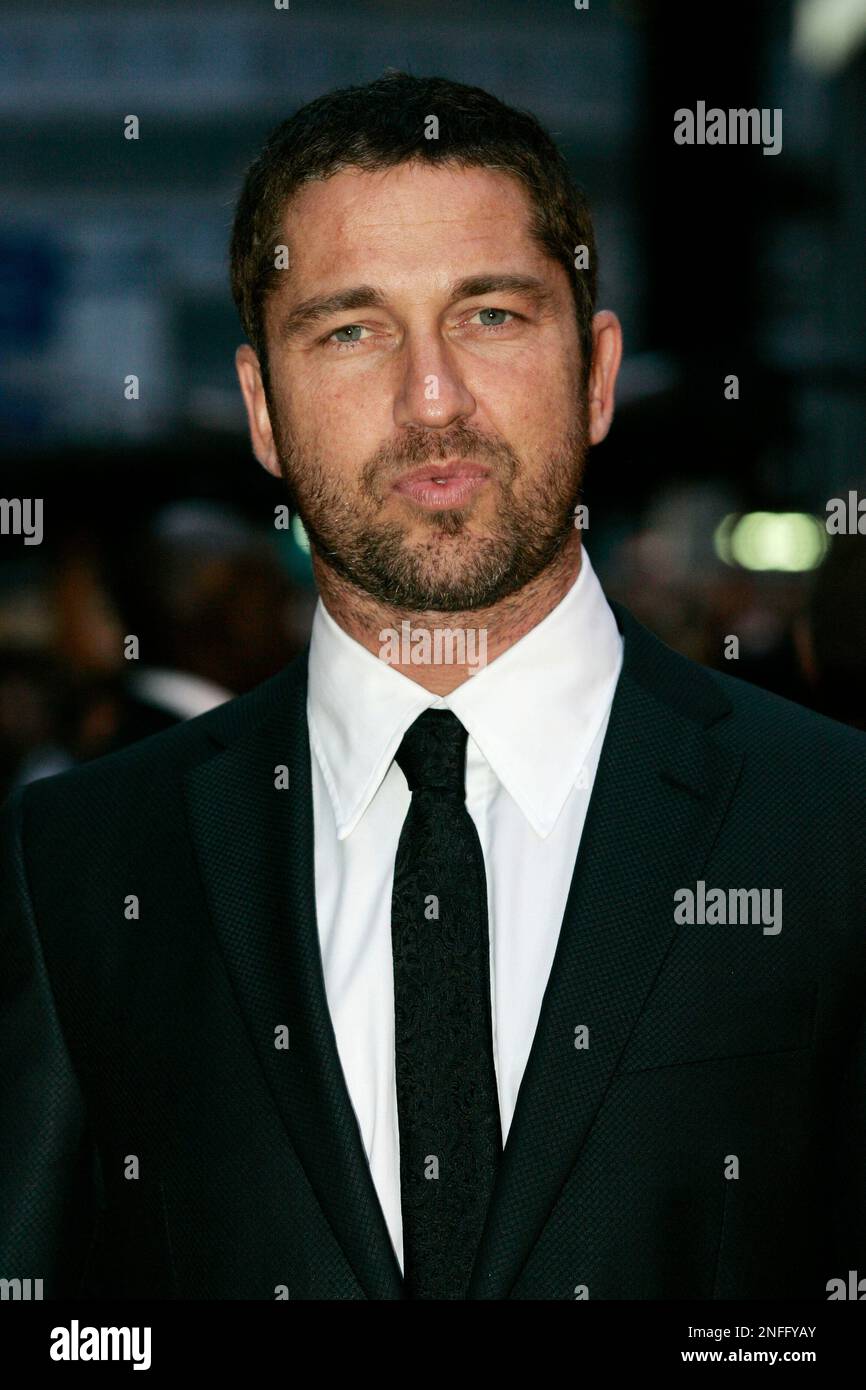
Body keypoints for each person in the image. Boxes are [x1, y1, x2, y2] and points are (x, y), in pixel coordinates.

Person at [1, 73, 863, 1301]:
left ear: (597, 371)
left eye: (492, 317)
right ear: (261, 409)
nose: (430, 398)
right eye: (350, 330)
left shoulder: (830, 822)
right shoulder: (80, 861)